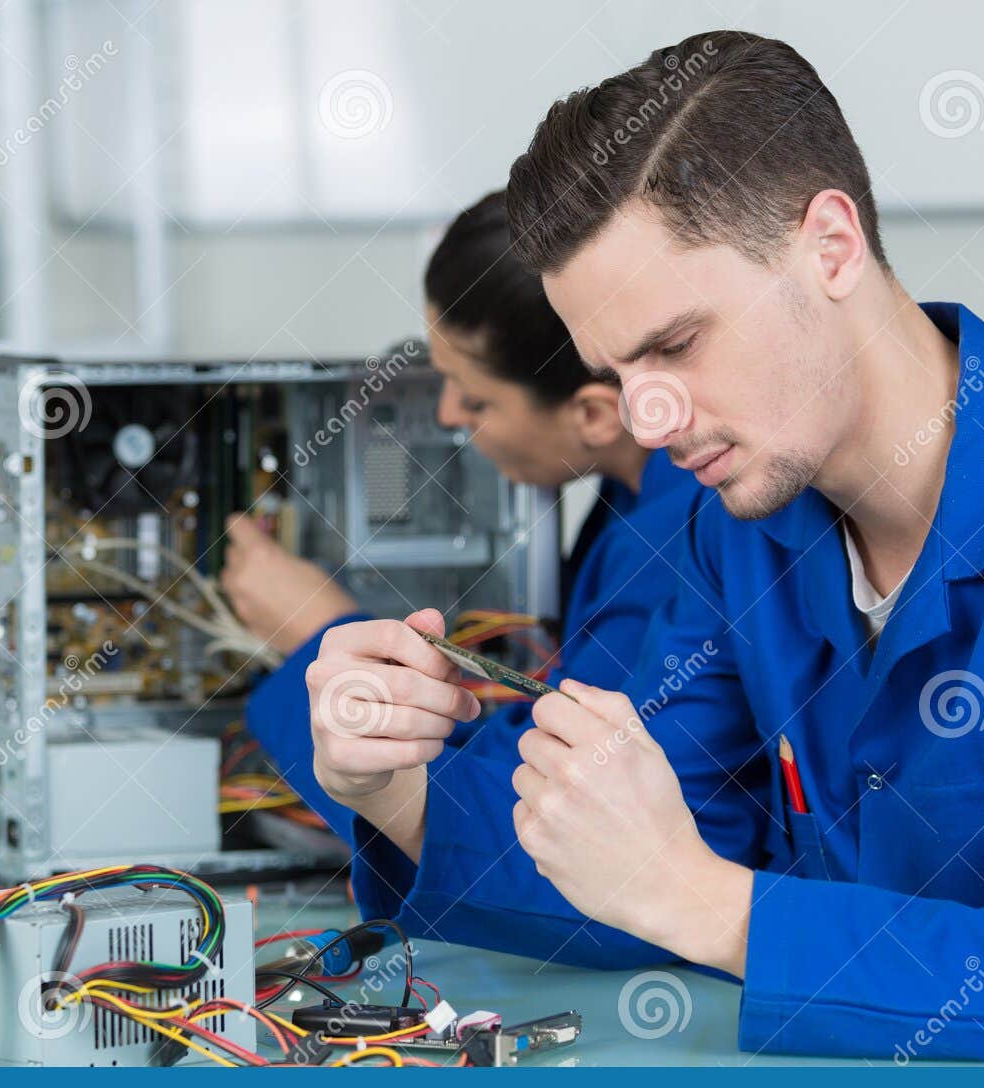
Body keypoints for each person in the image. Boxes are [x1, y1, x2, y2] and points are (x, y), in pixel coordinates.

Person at [300, 32, 984, 1065]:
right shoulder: (741, 528)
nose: (646, 418)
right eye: (616, 366)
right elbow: (640, 860)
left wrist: (704, 901)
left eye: (676, 344)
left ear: (830, 244)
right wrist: (393, 786)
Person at [222, 190, 701, 834]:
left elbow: (546, 813)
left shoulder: (682, 547)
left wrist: (317, 635)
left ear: (592, 415)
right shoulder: (642, 490)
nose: (447, 415)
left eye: (474, 401)